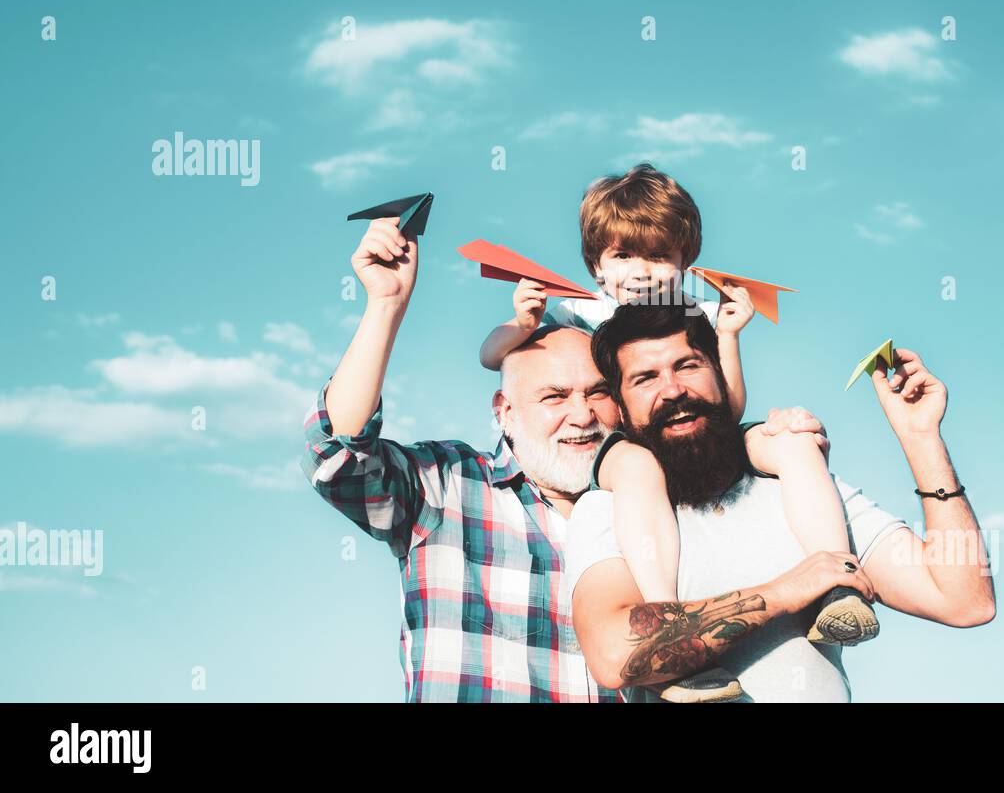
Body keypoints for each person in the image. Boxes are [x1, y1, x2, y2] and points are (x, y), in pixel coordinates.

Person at [298, 215, 823, 702]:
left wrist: (782, 444)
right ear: (502, 411)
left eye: (598, 393)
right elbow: (339, 455)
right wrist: (386, 304)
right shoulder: (447, 487)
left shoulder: (664, 509)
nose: (580, 415)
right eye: (554, 396)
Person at [476, 163, 879, 702]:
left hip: (701, 438)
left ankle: (836, 583)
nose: (640, 271)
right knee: (638, 469)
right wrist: (522, 325)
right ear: (597, 266)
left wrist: (730, 336)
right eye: (623, 255)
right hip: (632, 447)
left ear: (685, 262)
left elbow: (729, 408)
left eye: (657, 255)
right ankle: (670, 635)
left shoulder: (702, 314)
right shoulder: (580, 312)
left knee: (796, 442)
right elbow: (490, 356)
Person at [566, 302, 997, 702]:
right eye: (646, 378)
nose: (674, 389)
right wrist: (788, 591)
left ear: (721, 375)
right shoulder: (607, 512)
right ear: (620, 408)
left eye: (688, 365)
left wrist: (920, 437)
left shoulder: (800, 488)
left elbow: (964, 600)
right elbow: (612, 655)